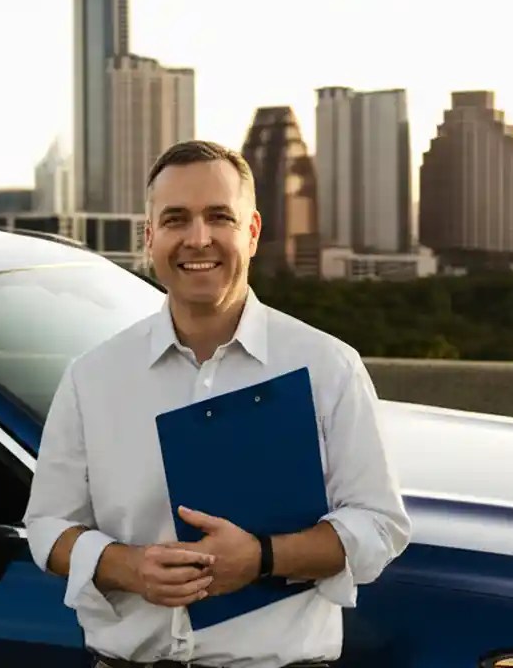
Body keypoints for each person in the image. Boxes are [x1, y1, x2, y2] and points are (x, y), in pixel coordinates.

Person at [23, 140, 411, 668]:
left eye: (219, 217)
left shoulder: (327, 368)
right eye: (176, 219)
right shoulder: (92, 378)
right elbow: (48, 527)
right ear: (150, 236)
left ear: (251, 232)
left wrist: (263, 558)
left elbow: (380, 526)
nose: (197, 238)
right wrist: (126, 566)